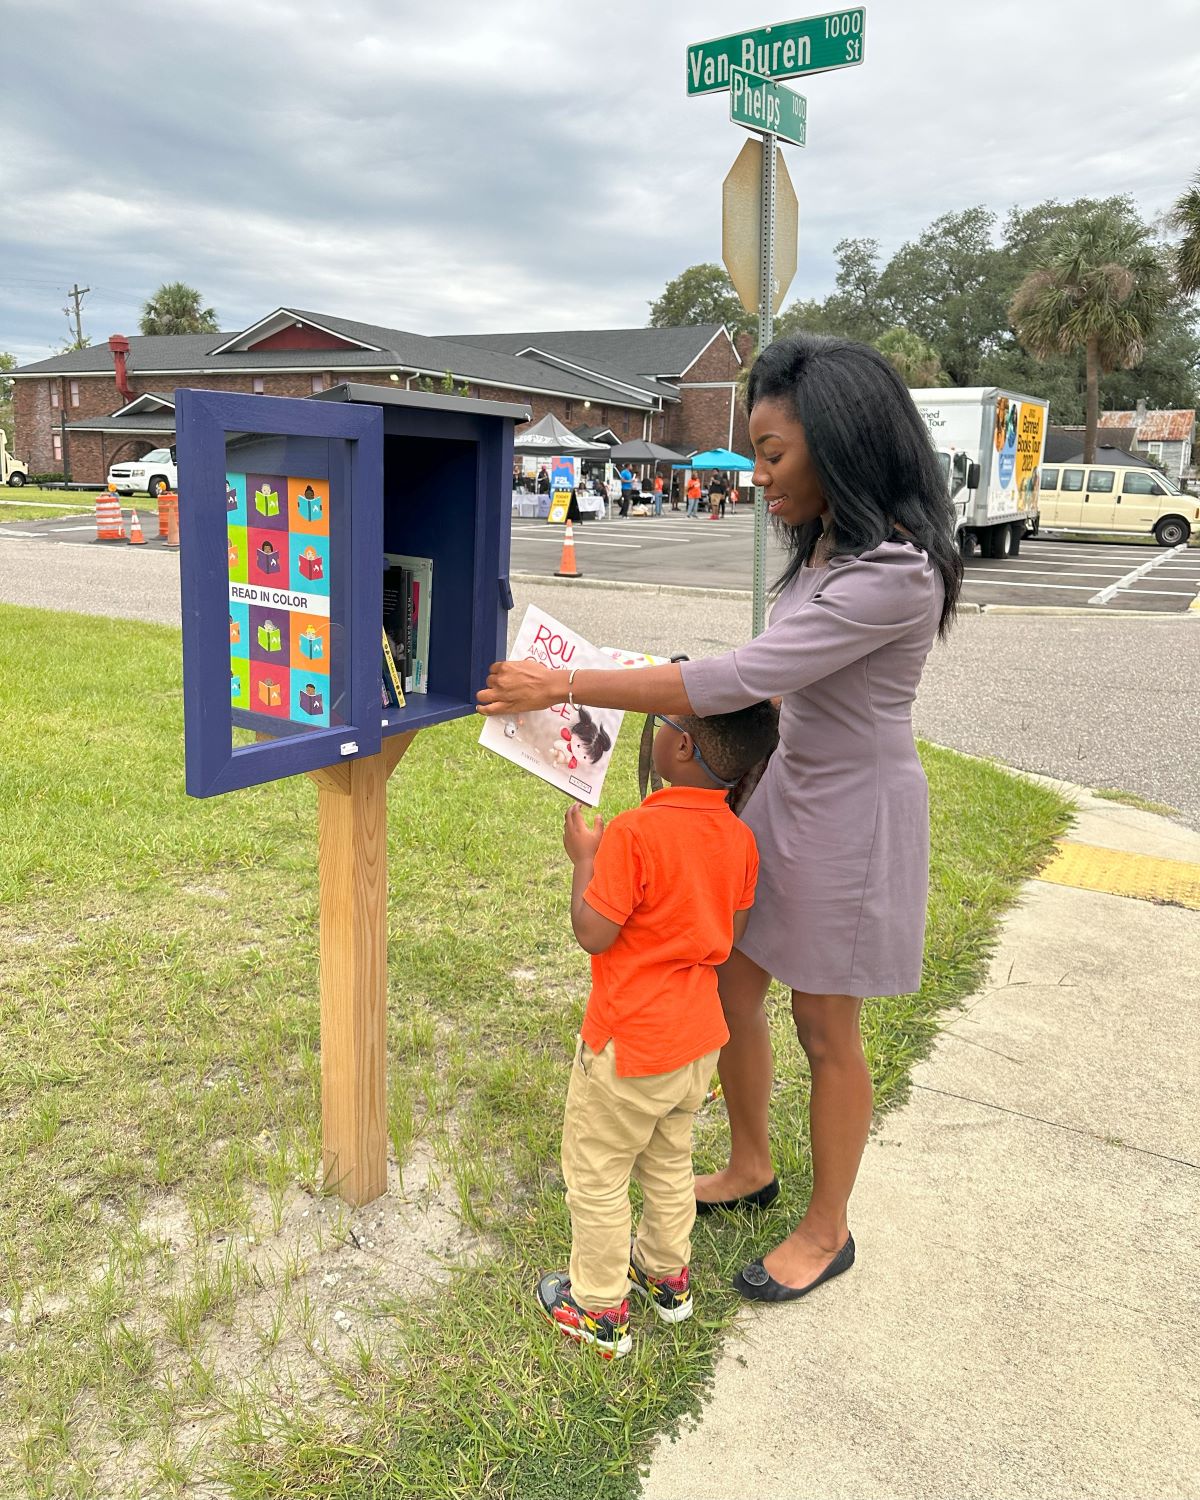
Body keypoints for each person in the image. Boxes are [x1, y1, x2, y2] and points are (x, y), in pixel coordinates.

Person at [480, 333, 962, 1304]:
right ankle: (750, 1162)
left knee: (825, 1024)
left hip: (853, 817)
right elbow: (766, 687)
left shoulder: (895, 572)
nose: (759, 476)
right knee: (729, 985)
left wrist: (566, 682)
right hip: (780, 793)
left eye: (773, 454)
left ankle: (828, 1229)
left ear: (844, 446)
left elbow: (740, 678)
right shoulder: (828, 546)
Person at [536, 703, 779, 1358]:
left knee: (599, 1174)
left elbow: (593, 933)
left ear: (682, 749)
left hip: (628, 1044)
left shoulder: (635, 833)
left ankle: (598, 1308)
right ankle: (666, 1276)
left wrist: (584, 858)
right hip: (697, 1042)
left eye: (663, 724)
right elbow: (731, 933)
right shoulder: (741, 840)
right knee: (670, 1163)